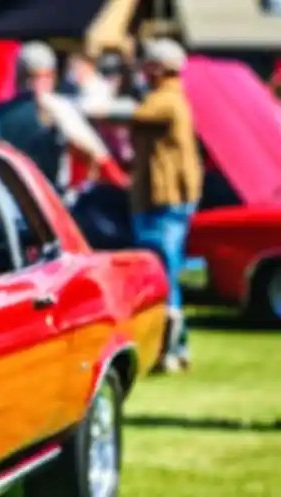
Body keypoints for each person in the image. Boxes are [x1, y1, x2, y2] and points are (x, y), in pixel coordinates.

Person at [129, 38, 201, 372]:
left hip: (161, 200)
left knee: (162, 277)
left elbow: (136, 116)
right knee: (168, 274)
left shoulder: (164, 100)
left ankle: (167, 351)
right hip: (170, 200)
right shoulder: (176, 98)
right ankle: (177, 348)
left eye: (147, 64)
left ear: (158, 68)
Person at [0, 42, 126, 197]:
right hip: (48, 197)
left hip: (7, 196)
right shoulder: (56, 107)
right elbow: (94, 152)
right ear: (51, 74)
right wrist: (120, 181)